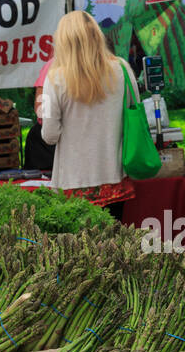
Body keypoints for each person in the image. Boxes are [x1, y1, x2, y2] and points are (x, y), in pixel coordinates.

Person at [40, 11, 139, 216]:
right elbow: (135, 111)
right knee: (114, 242)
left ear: (63, 41)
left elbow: (49, 136)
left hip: (73, 182)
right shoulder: (123, 69)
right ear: (97, 35)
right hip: (115, 177)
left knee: (79, 246)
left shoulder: (54, 78)